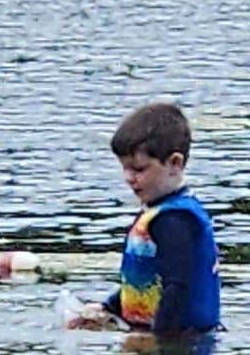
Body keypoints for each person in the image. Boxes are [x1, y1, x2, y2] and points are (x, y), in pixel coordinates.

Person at [69, 97, 221, 338]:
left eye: (139, 169)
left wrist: (159, 342)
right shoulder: (157, 212)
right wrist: (108, 308)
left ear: (174, 164)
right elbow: (143, 283)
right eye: (125, 168)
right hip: (153, 332)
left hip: (184, 340)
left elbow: (177, 287)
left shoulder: (175, 220)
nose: (129, 178)